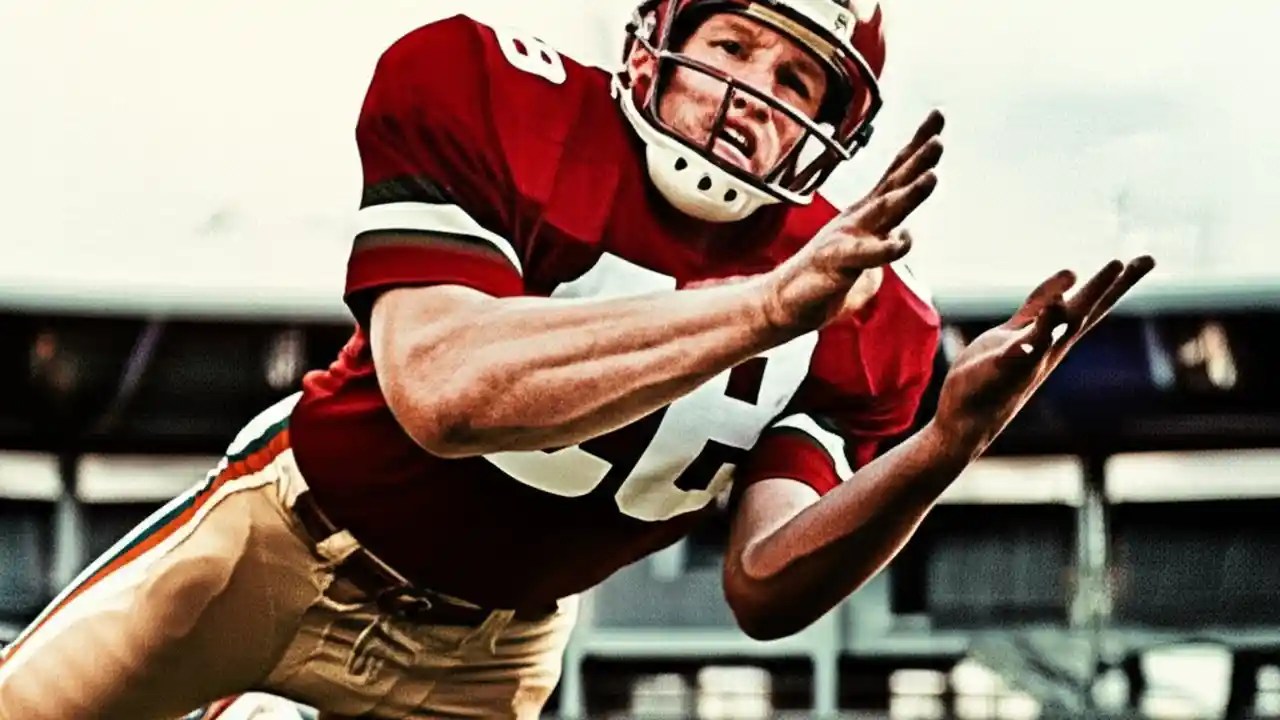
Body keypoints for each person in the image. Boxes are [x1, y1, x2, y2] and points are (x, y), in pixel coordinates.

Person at [0, 1, 1154, 718]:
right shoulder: (495, 95)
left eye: (797, 80)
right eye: (732, 46)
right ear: (656, 44)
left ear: (836, 129)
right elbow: (442, 391)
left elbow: (762, 585)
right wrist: (762, 309)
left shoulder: (867, 309)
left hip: (482, 661)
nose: (751, 95)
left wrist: (943, 448)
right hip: (273, 550)